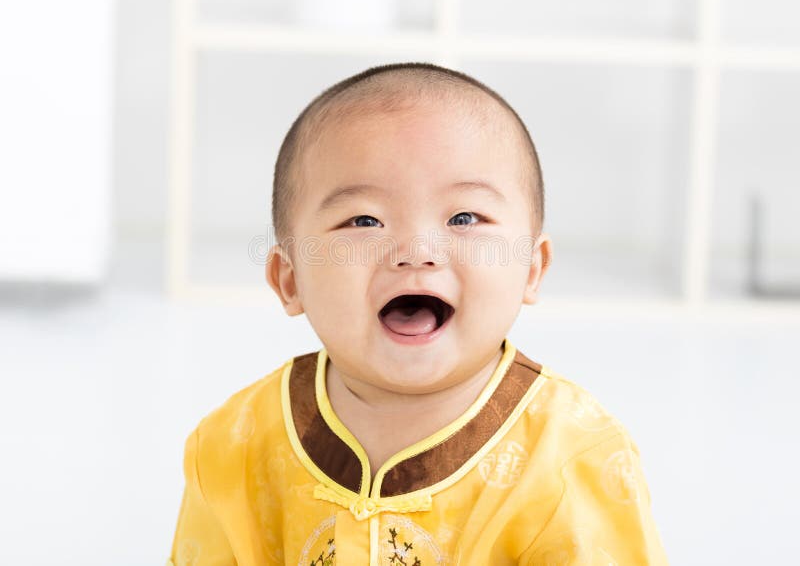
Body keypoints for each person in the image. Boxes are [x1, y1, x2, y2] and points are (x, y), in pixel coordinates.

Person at [166, 62, 669, 565]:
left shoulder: (573, 459)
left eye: (464, 218)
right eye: (364, 220)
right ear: (290, 280)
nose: (417, 251)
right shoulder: (234, 446)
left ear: (531, 269)